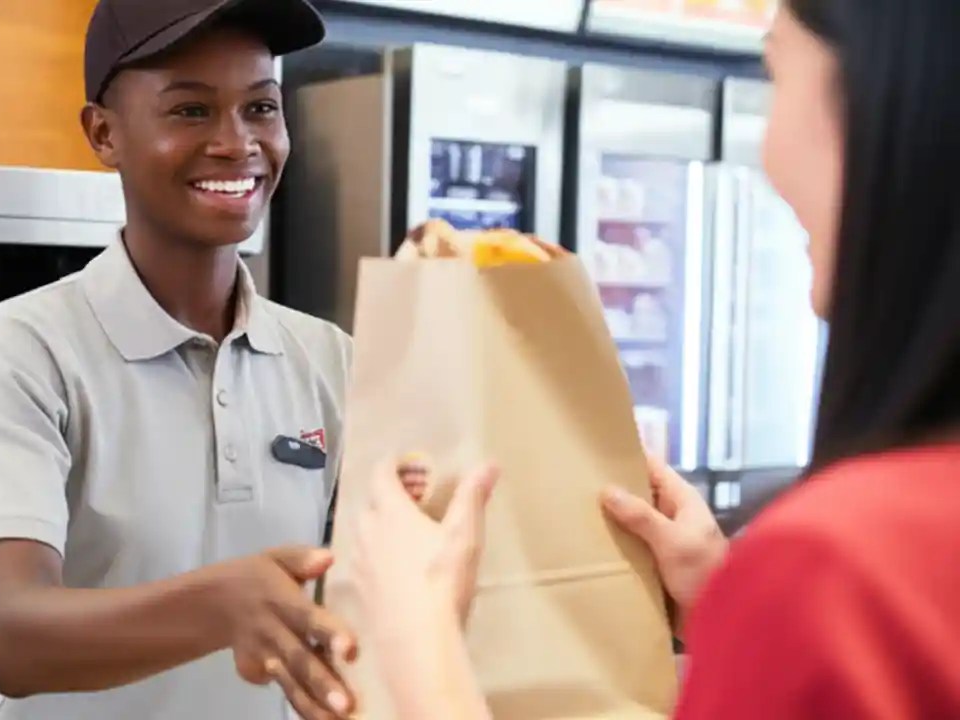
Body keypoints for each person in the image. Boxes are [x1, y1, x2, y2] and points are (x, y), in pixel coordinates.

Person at [347, 0, 960, 717]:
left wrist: (421, 646)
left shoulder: (836, 567)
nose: (767, 153)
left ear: (887, 106)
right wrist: (725, 607)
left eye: (775, 79)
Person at [0, 1, 362, 718]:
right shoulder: (26, 348)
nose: (237, 142)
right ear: (104, 133)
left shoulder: (326, 358)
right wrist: (222, 604)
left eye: (261, 107)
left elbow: (369, 603)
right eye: (191, 111)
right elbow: (11, 633)